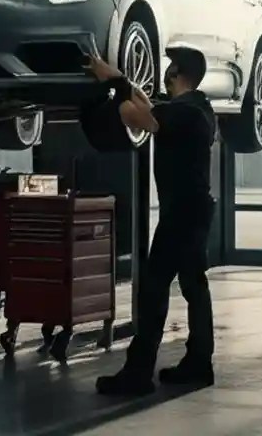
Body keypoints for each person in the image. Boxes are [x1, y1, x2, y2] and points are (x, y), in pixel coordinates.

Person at [93, 46, 218, 398]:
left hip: (181, 214)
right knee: (194, 287)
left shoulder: (186, 110)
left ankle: (138, 373)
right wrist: (119, 79)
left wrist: (115, 88)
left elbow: (138, 116)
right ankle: (198, 363)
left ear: (177, 72)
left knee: (154, 287)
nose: (164, 73)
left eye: (169, 68)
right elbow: (150, 106)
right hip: (193, 210)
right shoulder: (199, 108)